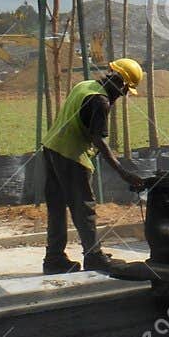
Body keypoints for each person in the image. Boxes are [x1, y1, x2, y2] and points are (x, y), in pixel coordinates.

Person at [42, 59, 147, 275]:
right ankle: (94, 257)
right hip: (71, 154)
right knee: (84, 208)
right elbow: (99, 139)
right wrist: (122, 171)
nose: (122, 96)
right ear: (121, 85)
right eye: (125, 91)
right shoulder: (100, 101)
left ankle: (54, 259)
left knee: (57, 207)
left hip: (51, 148)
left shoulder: (85, 85)